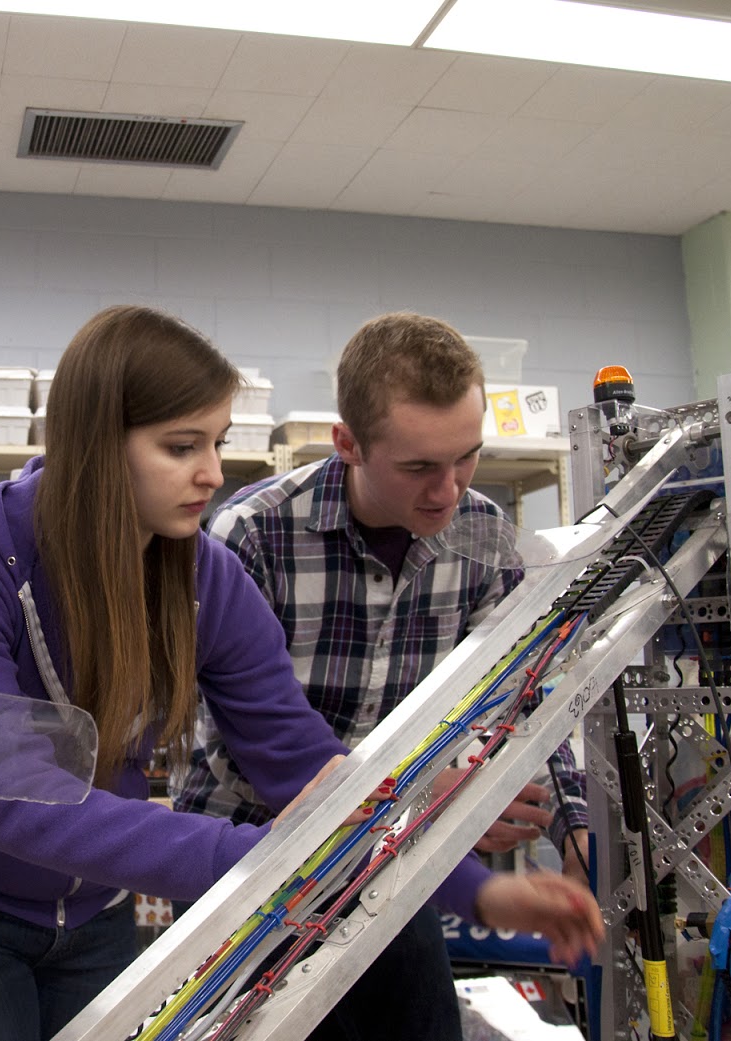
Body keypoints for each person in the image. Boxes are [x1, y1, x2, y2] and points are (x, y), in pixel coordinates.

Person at [0, 304, 603, 1041]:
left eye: (215, 441)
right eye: (182, 446)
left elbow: (301, 760)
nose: (212, 472)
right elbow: (17, 800)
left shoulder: (202, 572)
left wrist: (480, 893)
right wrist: (276, 859)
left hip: (99, 919)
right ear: (94, 445)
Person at [172, 310, 594, 1041]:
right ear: (348, 443)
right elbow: (253, 745)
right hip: (247, 853)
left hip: (387, 862)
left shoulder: (486, 539)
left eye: (467, 457)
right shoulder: (253, 536)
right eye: (420, 467)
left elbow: (522, 701)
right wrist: (441, 796)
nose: (450, 489)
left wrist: (573, 827)